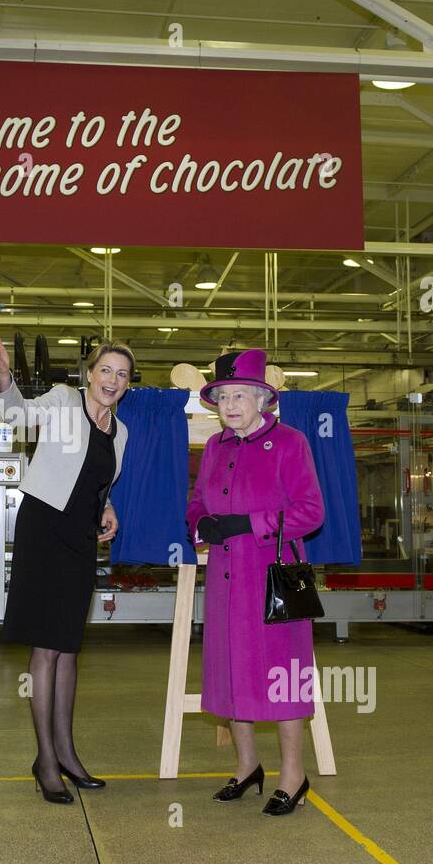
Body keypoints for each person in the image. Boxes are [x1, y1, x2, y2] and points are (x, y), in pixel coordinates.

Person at [0, 333, 133, 805]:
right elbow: (16, 416)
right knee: (47, 648)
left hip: (81, 537)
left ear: (128, 385)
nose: (112, 380)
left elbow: (98, 482)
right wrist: (6, 376)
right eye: (106, 370)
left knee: (69, 648)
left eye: (122, 375)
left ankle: (67, 753)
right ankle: (46, 760)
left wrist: (108, 509)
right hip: (45, 526)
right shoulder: (64, 401)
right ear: (90, 374)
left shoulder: (121, 432)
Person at [186, 350, 325, 817]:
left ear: (262, 398)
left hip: (273, 581)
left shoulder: (290, 442)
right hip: (226, 580)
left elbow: (311, 512)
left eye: (239, 394)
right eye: (223, 396)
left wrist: (249, 522)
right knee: (231, 673)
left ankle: (294, 775)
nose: (230, 403)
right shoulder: (216, 448)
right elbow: (196, 502)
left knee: (283, 679)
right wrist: (201, 523)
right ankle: (247, 767)